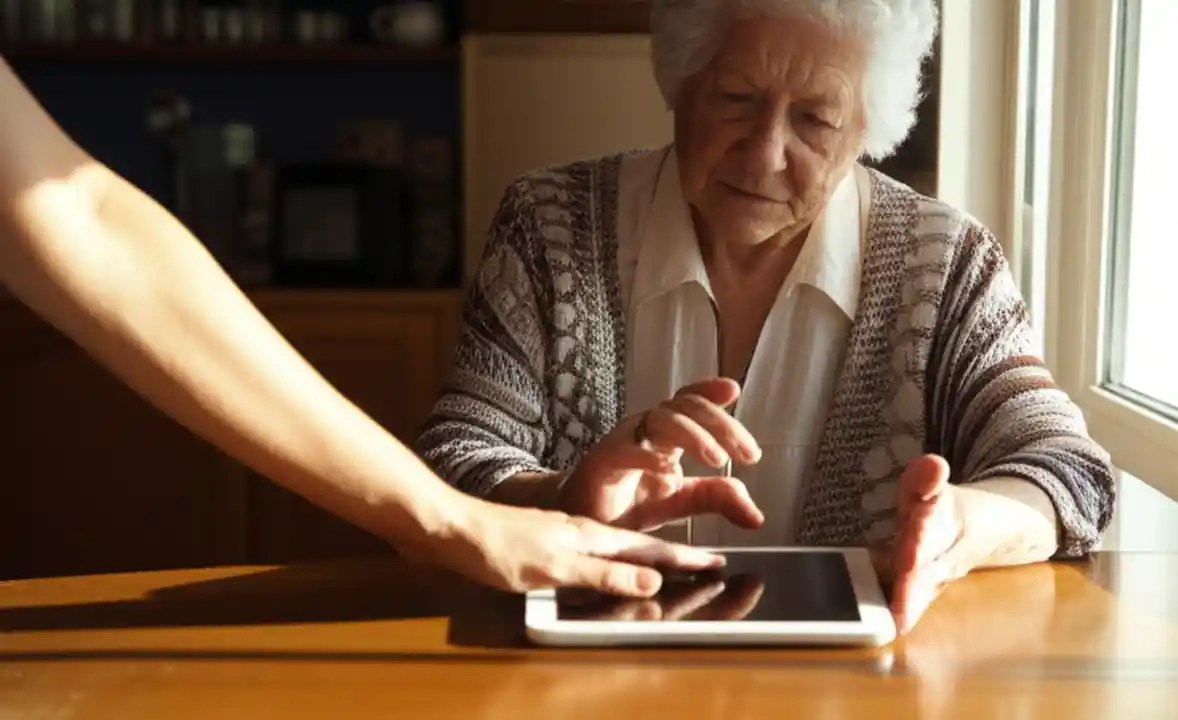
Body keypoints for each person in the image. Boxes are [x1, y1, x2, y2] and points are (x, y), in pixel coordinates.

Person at [419, 0, 1117, 631]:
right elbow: (452, 461)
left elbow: (1067, 471)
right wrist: (564, 495)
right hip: (592, 685)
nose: (764, 153)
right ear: (680, 84)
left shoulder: (947, 260)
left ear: (869, 128)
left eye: (815, 118)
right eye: (734, 99)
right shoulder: (550, 224)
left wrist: (956, 530)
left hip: (855, 698)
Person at [0, 57, 731, 598]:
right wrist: (454, 518)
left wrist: (452, 521)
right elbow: (78, 225)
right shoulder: (549, 216)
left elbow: (78, 219)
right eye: (737, 101)